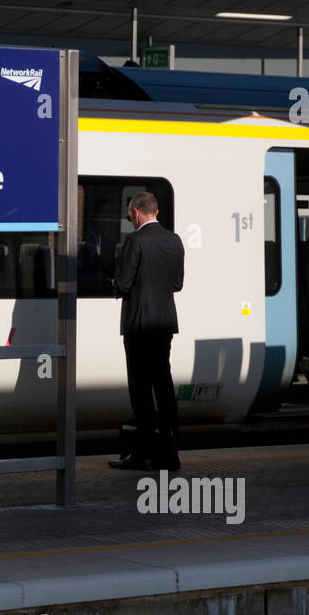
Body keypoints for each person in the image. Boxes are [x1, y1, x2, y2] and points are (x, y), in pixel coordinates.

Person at [108, 191, 185, 472]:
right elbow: (177, 284)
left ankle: (143, 455)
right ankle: (170, 453)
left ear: (138, 214)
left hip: (139, 324)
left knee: (140, 390)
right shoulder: (174, 240)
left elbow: (124, 282)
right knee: (164, 387)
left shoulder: (135, 240)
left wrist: (116, 281)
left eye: (130, 215)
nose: (130, 219)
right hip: (164, 324)